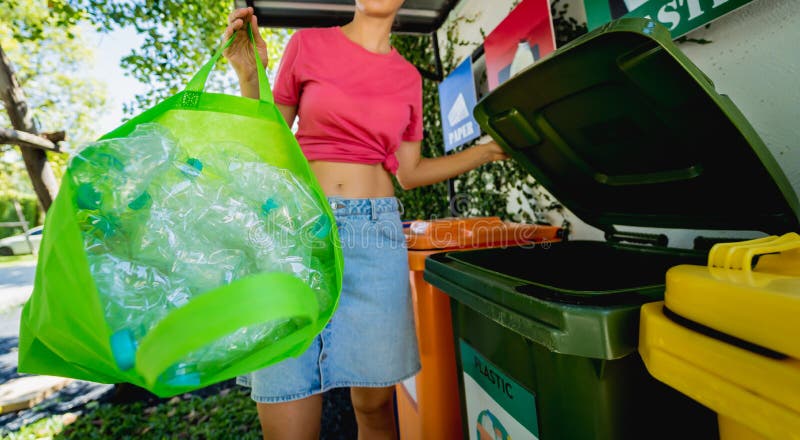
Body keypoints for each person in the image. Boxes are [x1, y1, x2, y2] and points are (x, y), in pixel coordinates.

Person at [223, 2, 508, 439]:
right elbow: (268, 145)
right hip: (297, 235)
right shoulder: (306, 45)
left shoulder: (407, 77)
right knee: (287, 403)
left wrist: (487, 151)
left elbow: (409, 173)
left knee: (374, 407)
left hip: (376, 238)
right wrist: (249, 77)